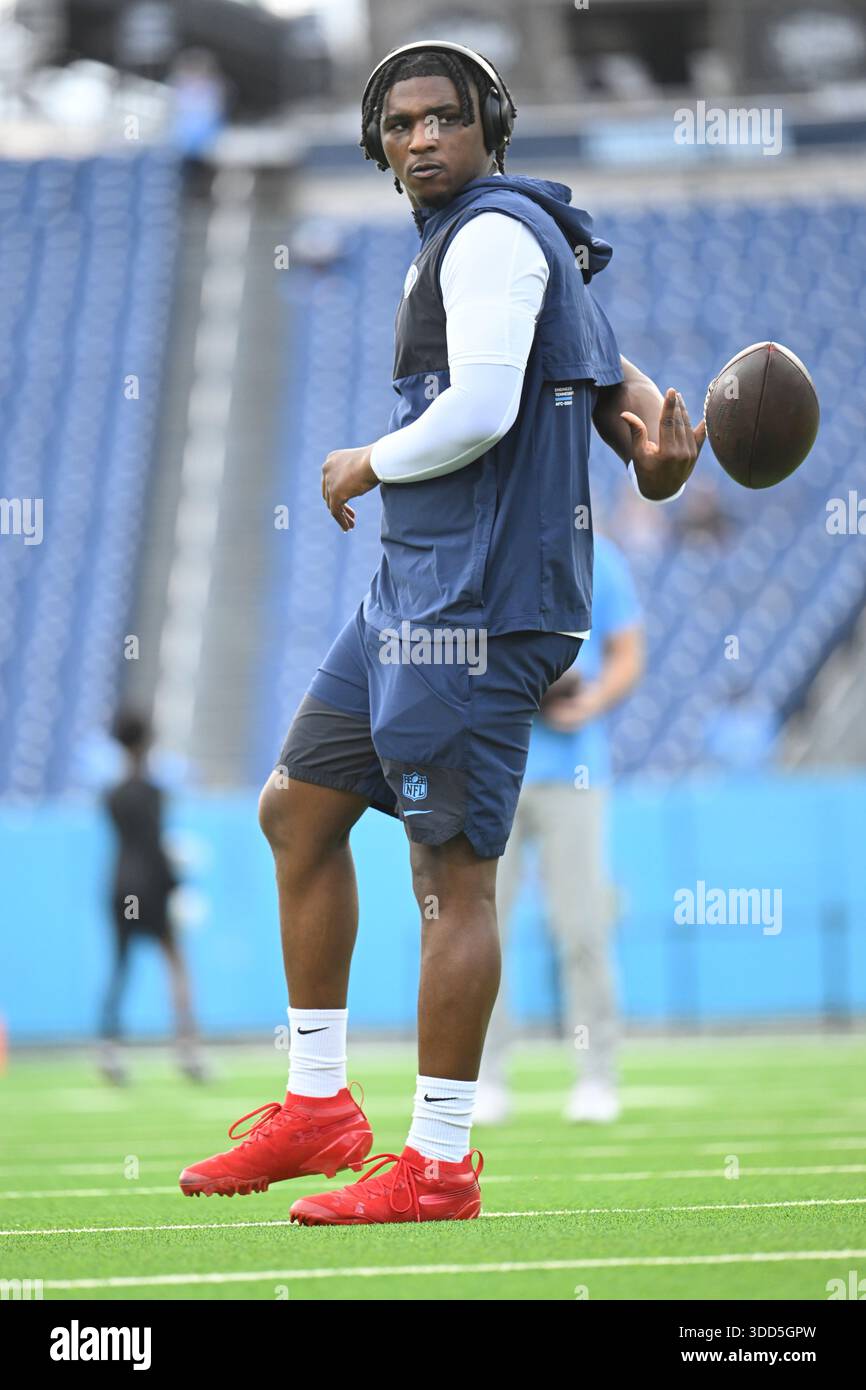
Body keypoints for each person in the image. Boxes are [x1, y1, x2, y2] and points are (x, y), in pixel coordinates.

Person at [179, 40, 702, 1222]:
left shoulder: (494, 234)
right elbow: (606, 378)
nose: (420, 140)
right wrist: (648, 446)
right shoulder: (499, 239)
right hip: (416, 592)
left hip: (477, 603)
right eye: (400, 124)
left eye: (442, 120)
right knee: (297, 807)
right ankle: (319, 1106)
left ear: (489, 129)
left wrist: (367, 454)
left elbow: (477, 409)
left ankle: (441, 1161)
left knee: (448, 880)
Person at [474, 535, 644, 1126]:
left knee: (582, 927)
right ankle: (486, 1075)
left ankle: (597, 1075)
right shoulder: (493, 552)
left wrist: (591, 701)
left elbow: (627, 651)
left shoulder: (601, 559)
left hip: (575, 771)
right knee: (483, 933)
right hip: (498, 766)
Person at [99, 711, 206, 1085]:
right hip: (151, 886)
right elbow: (153, 845)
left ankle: (110, 1051)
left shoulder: (111, 794)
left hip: (119, 885)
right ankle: (188, 1052)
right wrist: (177, 885)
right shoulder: (154, 792)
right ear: (146, 742)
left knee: (120, 966)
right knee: (176, 963)